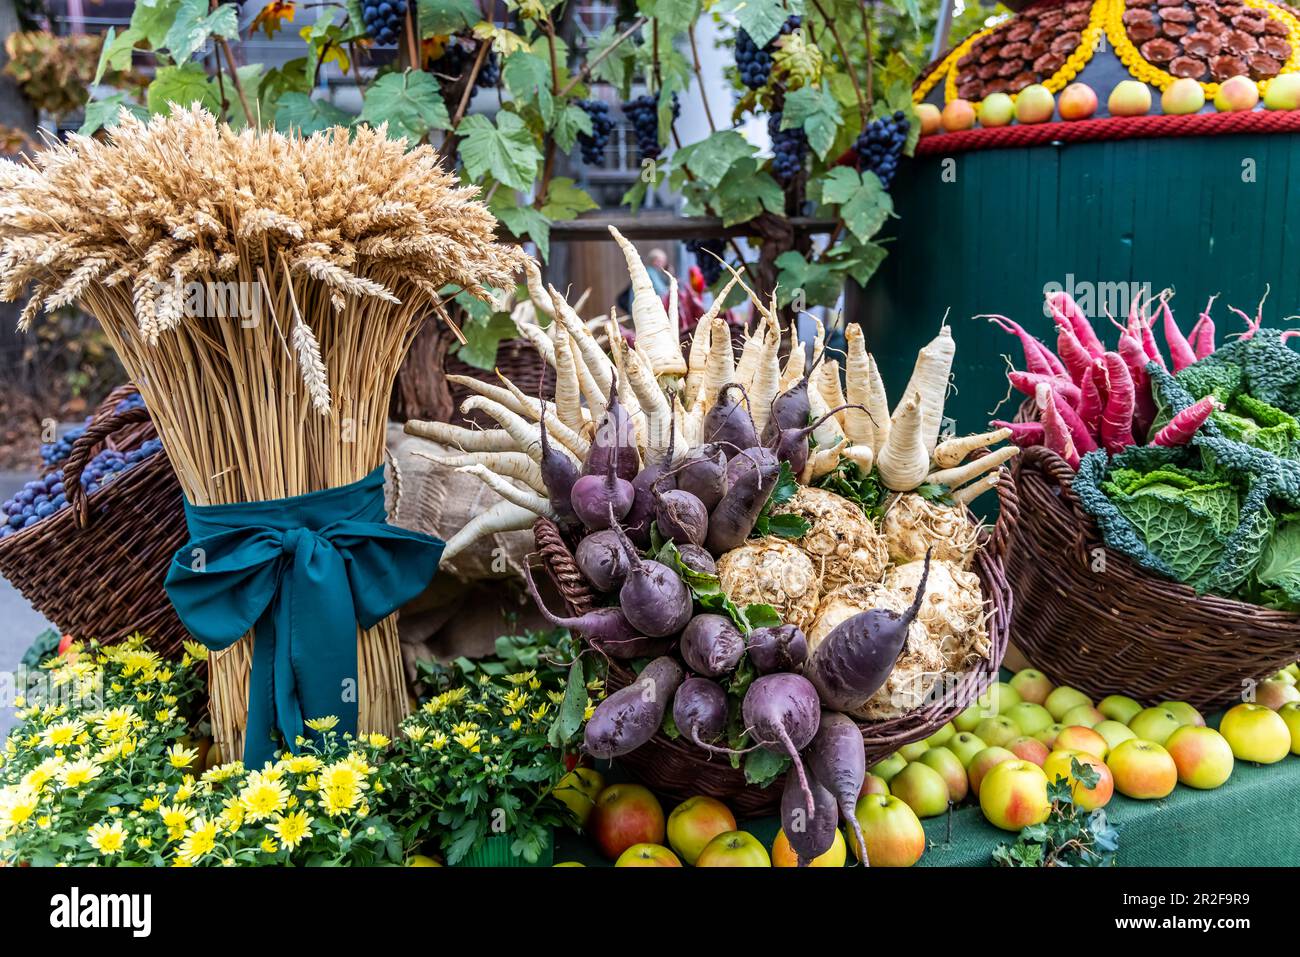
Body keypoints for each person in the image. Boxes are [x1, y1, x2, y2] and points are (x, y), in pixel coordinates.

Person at [616, 247, 673, 313]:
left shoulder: (648, 272)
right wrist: (670, 279)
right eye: (661, 261)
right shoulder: (650, 272)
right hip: (643, 310)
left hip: (639, 308)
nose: (663, 264)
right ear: (654, 261)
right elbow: (662, 291)